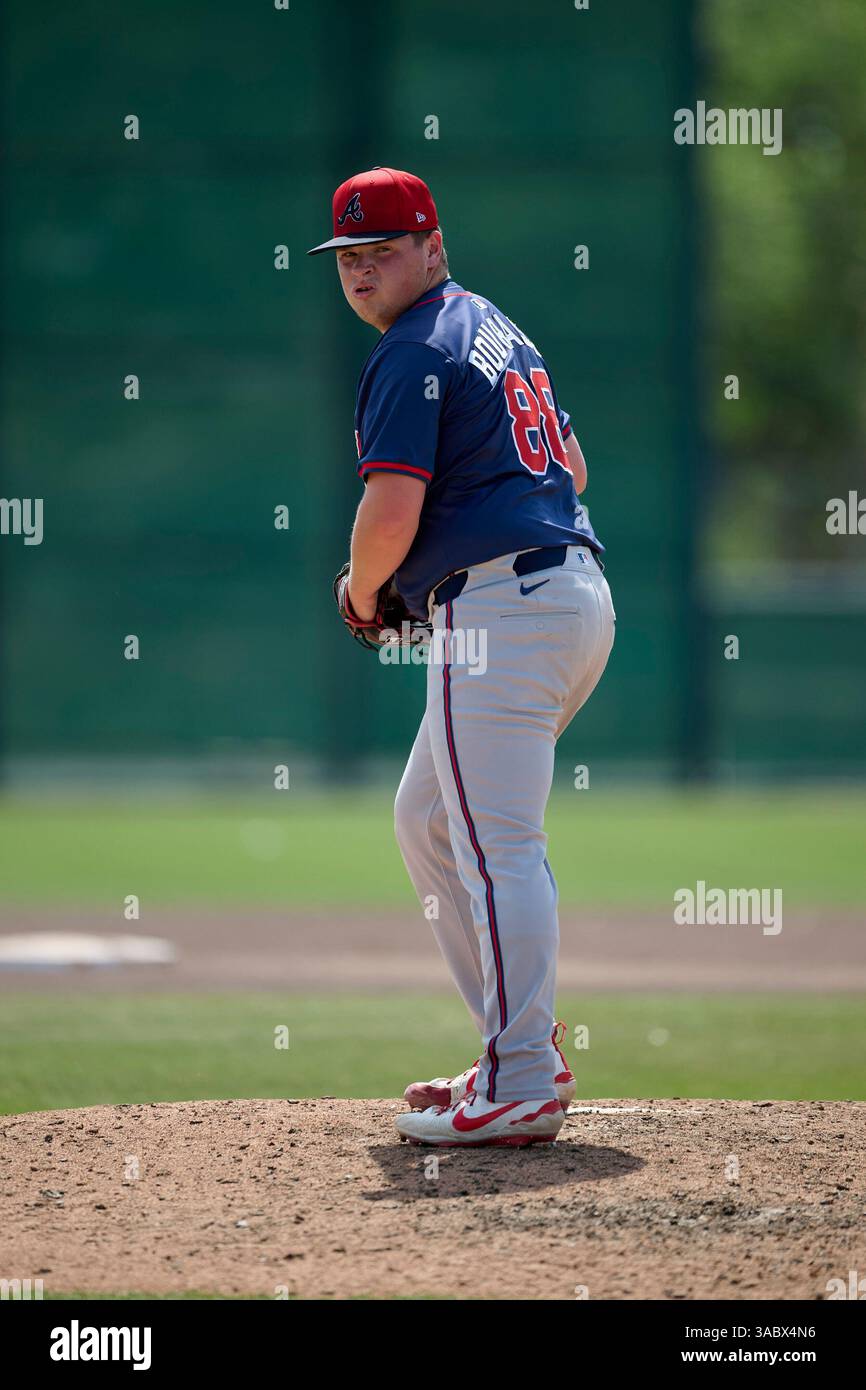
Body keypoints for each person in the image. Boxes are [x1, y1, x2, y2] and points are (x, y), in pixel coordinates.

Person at [309, 167, 615, 1147]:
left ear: (432, 246)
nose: (362, 270)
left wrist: (361, 595)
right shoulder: (492, 326)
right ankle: (509, 1048)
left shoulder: (411, 350)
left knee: (493, 848)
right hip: (565, 595)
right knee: (429, 820)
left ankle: (522, 1074)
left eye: (383, 248)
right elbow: (567, 466)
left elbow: (389, 509)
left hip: (502, 611)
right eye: (348, 257)